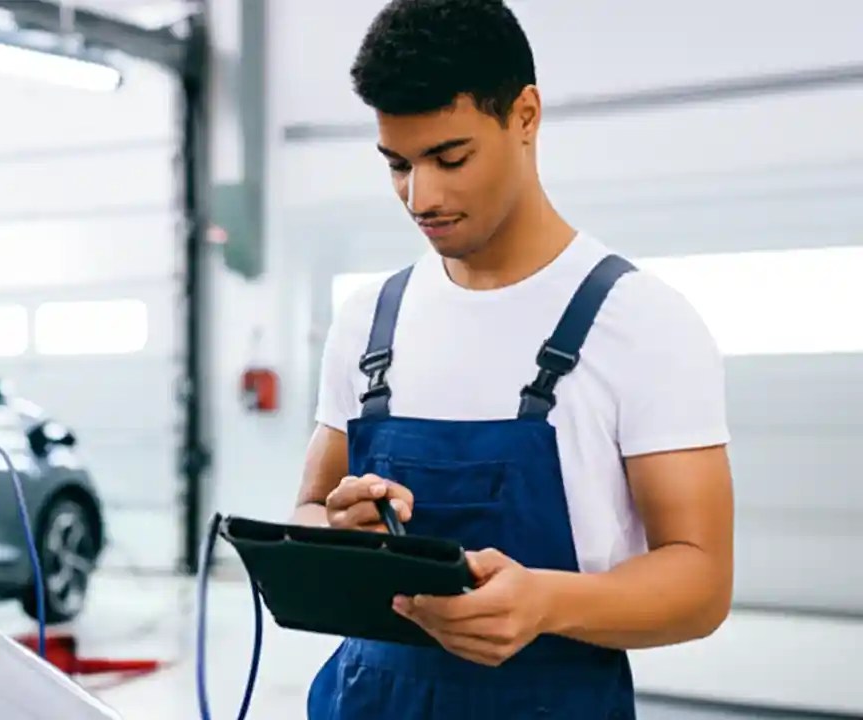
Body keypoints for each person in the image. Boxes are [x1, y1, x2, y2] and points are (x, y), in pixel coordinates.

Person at [291, 0, 735, 717]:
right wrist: (341, 536)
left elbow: (701, 581)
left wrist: (548, 602)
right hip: (366, 698)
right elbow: (310, 510)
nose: (420, 196)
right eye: (397, 164)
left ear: (525, 115)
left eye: (449, 158)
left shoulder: (642, 324)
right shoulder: (369, 323)